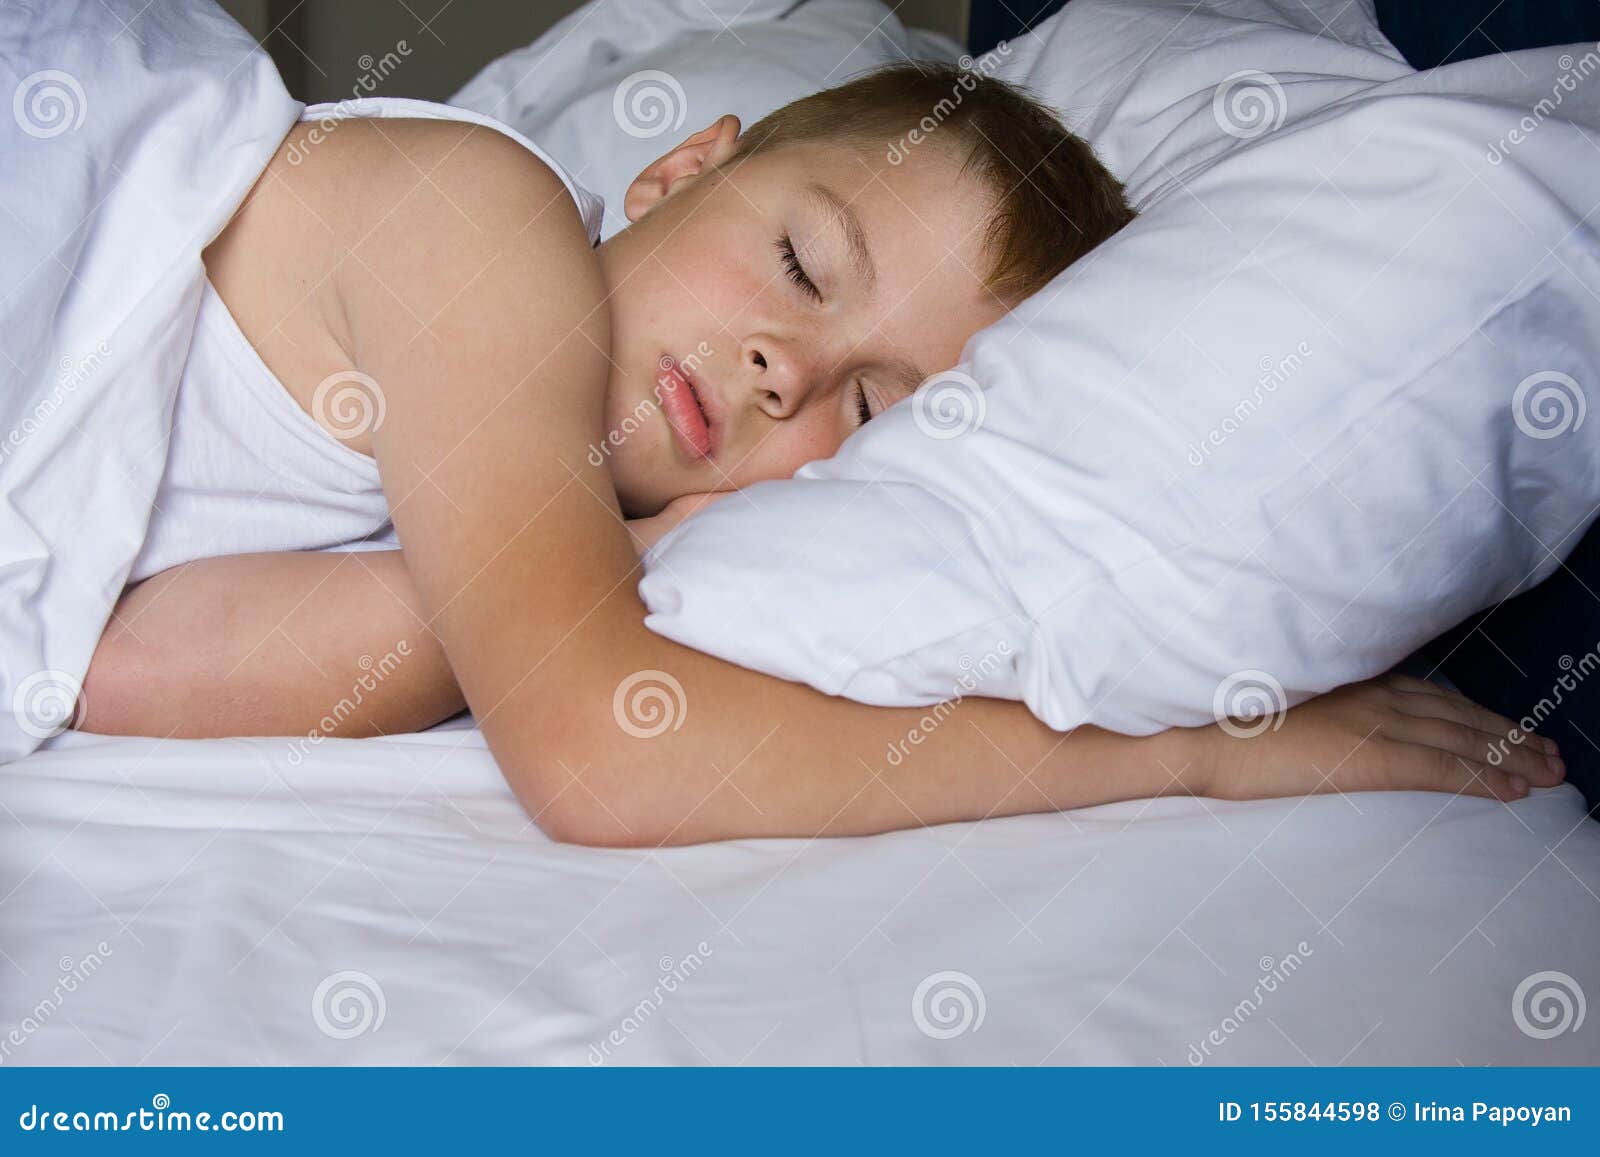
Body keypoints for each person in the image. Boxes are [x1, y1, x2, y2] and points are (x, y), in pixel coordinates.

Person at [79, 64, 1564, 844]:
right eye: (798, 260)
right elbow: (599, 756)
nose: (791, 369)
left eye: (869, 415)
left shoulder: (494, 496)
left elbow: (106, 666)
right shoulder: (481, 220)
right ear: (675, 172)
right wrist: (1186, 747)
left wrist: (606, 569)